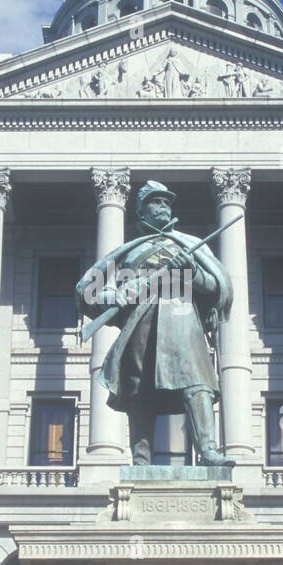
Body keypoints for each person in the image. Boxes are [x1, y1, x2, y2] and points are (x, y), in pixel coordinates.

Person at [76, 180, 234, 466]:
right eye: (155, 201)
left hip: (183, 321)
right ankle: (141, 462)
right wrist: (117, 294)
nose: (163, 206)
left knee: (198, 383)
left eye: (166, 202)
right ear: (141, 210)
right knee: (139, 391)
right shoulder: (129, 252)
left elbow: (216, 287)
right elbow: (86, 291)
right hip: (142, 322)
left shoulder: (186, 245)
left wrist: (193, 273)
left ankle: (208, 450)